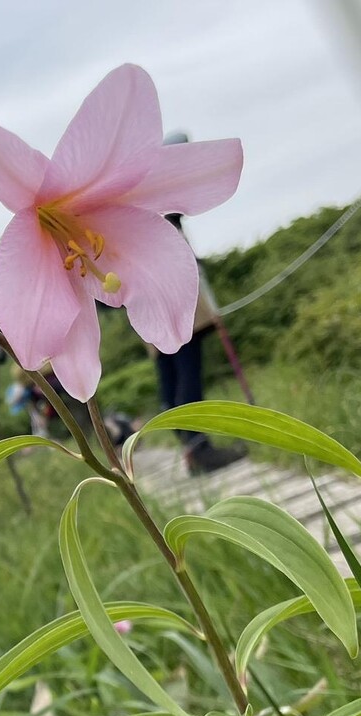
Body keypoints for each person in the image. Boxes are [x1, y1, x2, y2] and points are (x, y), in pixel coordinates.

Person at [151, 134, 248, 475]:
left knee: (173, 375)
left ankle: (191, 446)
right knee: (187, 374)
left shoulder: (154, 206)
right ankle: (198, 447)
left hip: (152, 314)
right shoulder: (165, 204)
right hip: (178, 307)